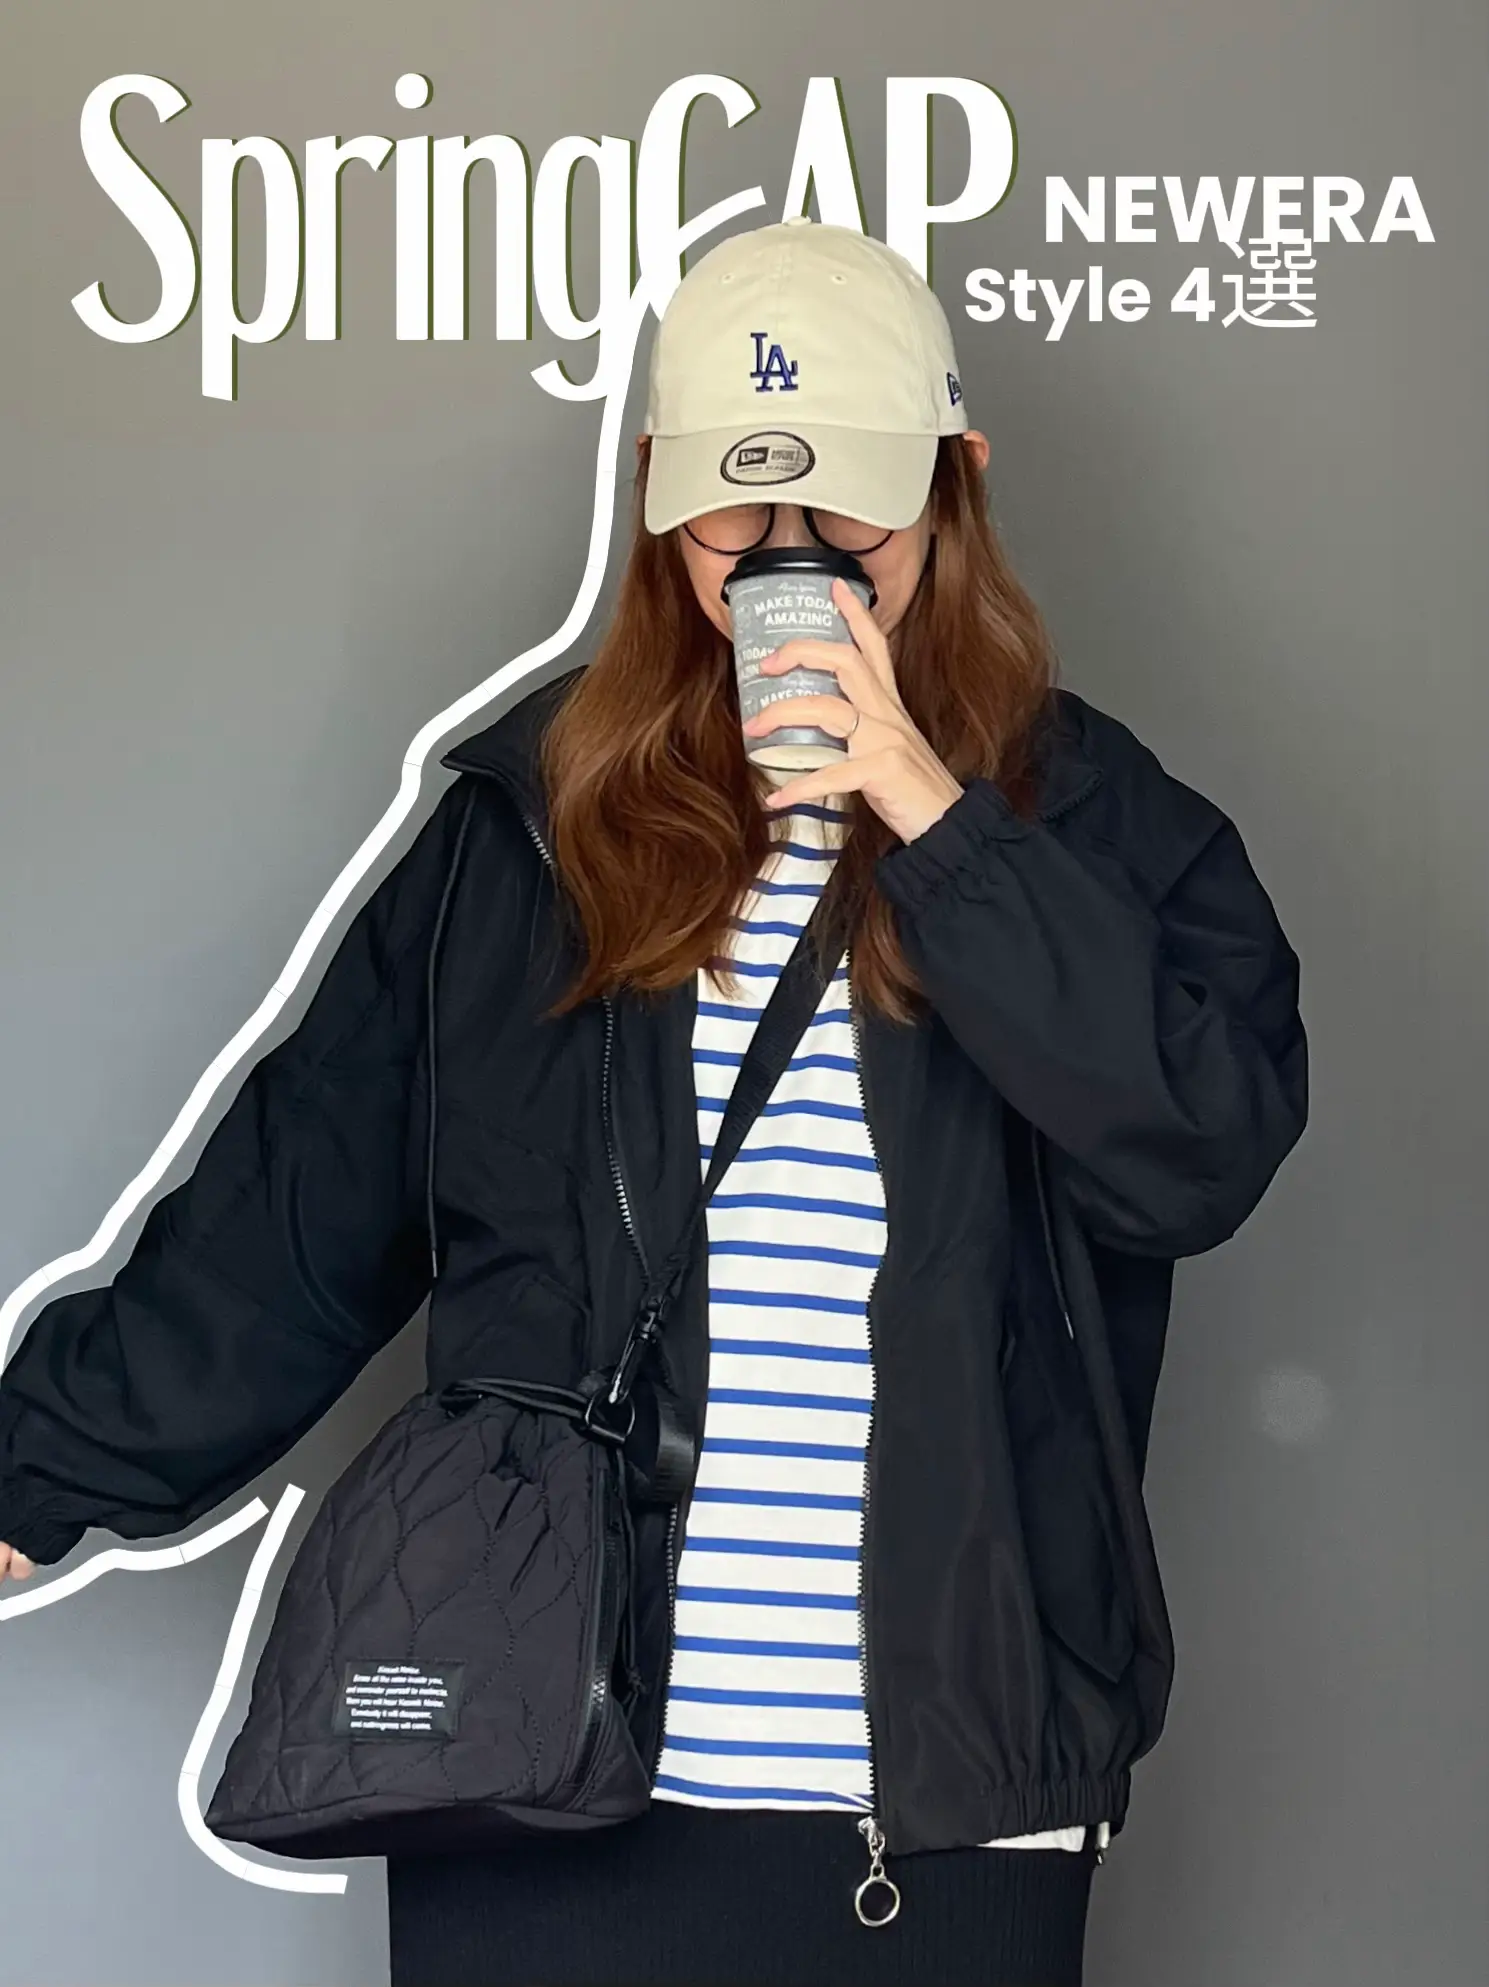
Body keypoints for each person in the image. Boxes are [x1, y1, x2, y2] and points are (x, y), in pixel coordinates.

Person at [0, 219, 1307, 1986]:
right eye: (733, 518)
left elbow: (1199, 1147)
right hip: (546, 1773)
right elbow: (294, 1217)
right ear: (653, 502)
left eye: (845, 515)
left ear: (954, 486)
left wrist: (931, 810)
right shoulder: (532, 830)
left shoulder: (1092, 824)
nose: (788, 561)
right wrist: (32, 1472)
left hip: (940, 1812)